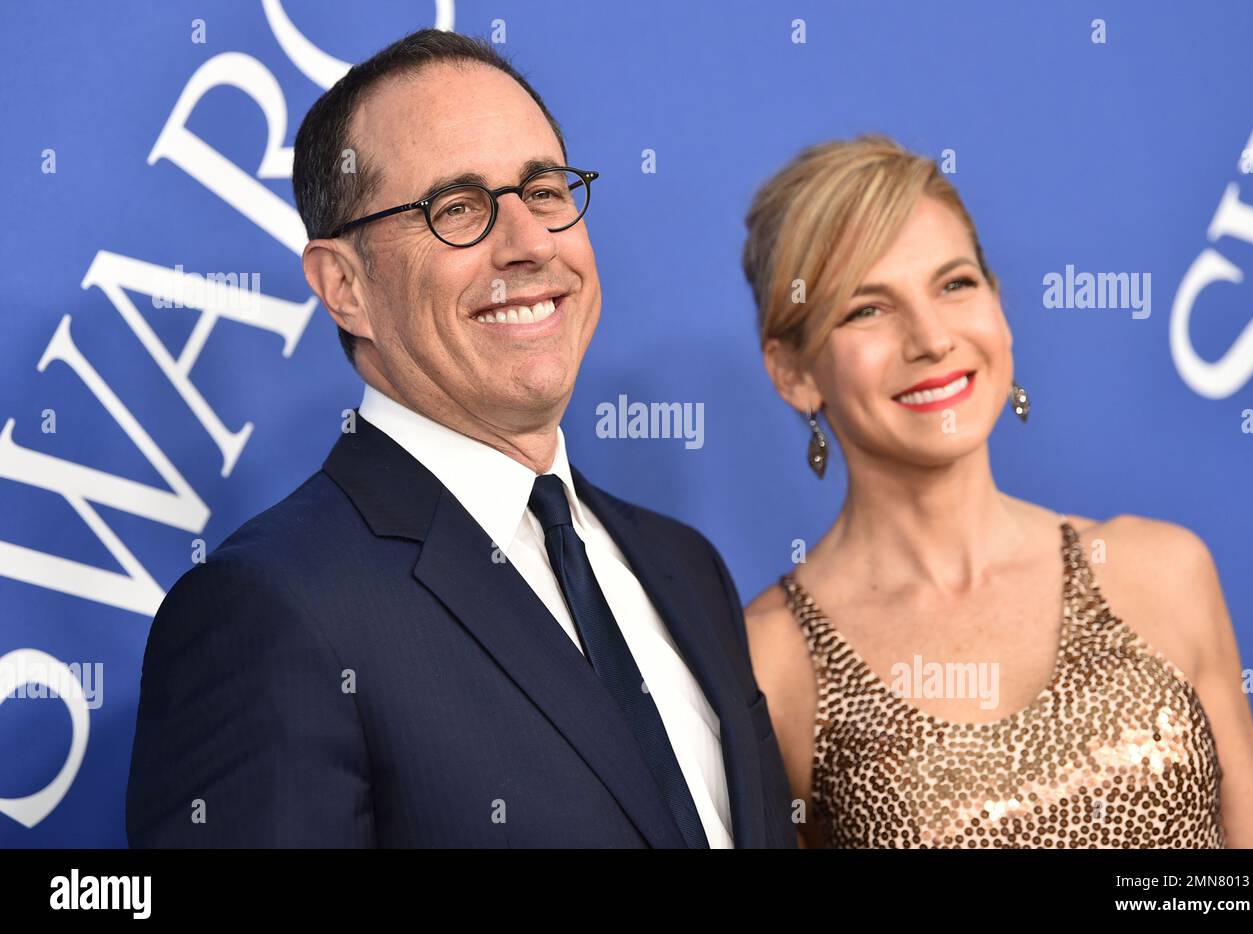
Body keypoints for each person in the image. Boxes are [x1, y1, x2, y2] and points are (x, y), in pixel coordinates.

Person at [125, 28, 796, 849]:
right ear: (344, 286)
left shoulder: (685, 567)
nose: (529, 244)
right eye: (458, 210)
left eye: (544, 191)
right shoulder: (270, 611)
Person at [740, 134, 1253, 849]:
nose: (933, 337)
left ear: (999, 308)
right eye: (866, 309)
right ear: (793, 372)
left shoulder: (1163, 570)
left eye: (955, 284)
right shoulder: (772, 664)